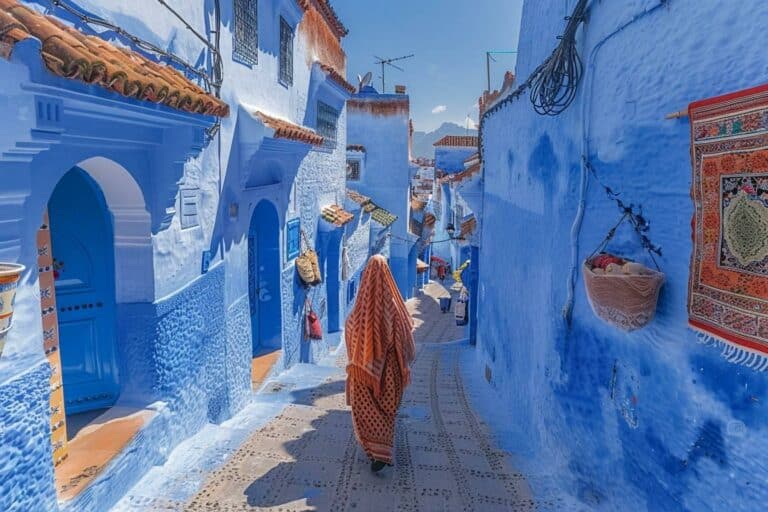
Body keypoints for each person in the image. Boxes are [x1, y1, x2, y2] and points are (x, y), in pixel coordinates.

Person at [345, 255, 416, 472]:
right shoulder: (394, 306)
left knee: (365, 410)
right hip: (389, 373)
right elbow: (405, 334)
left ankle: (375, 452)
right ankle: (382, 451)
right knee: (386, 411)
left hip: (362, 371)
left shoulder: (360, 308)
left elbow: (350, 330)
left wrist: (364, 354)